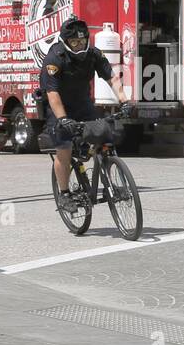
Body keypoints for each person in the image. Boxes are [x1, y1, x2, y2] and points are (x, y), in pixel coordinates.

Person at [40, 16, 128, 208]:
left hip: (83, 104)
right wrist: (63, 119)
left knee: (105, 137)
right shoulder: (55, 58)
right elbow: (52, 93)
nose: (79, 45)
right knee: (64, 150)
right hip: (59, 109)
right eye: (74, 42)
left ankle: (111, 183)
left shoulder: (94, 54)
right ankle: (64, 194)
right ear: (65, 42)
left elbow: (112, 78)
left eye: (82, 41)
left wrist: (124, 101)